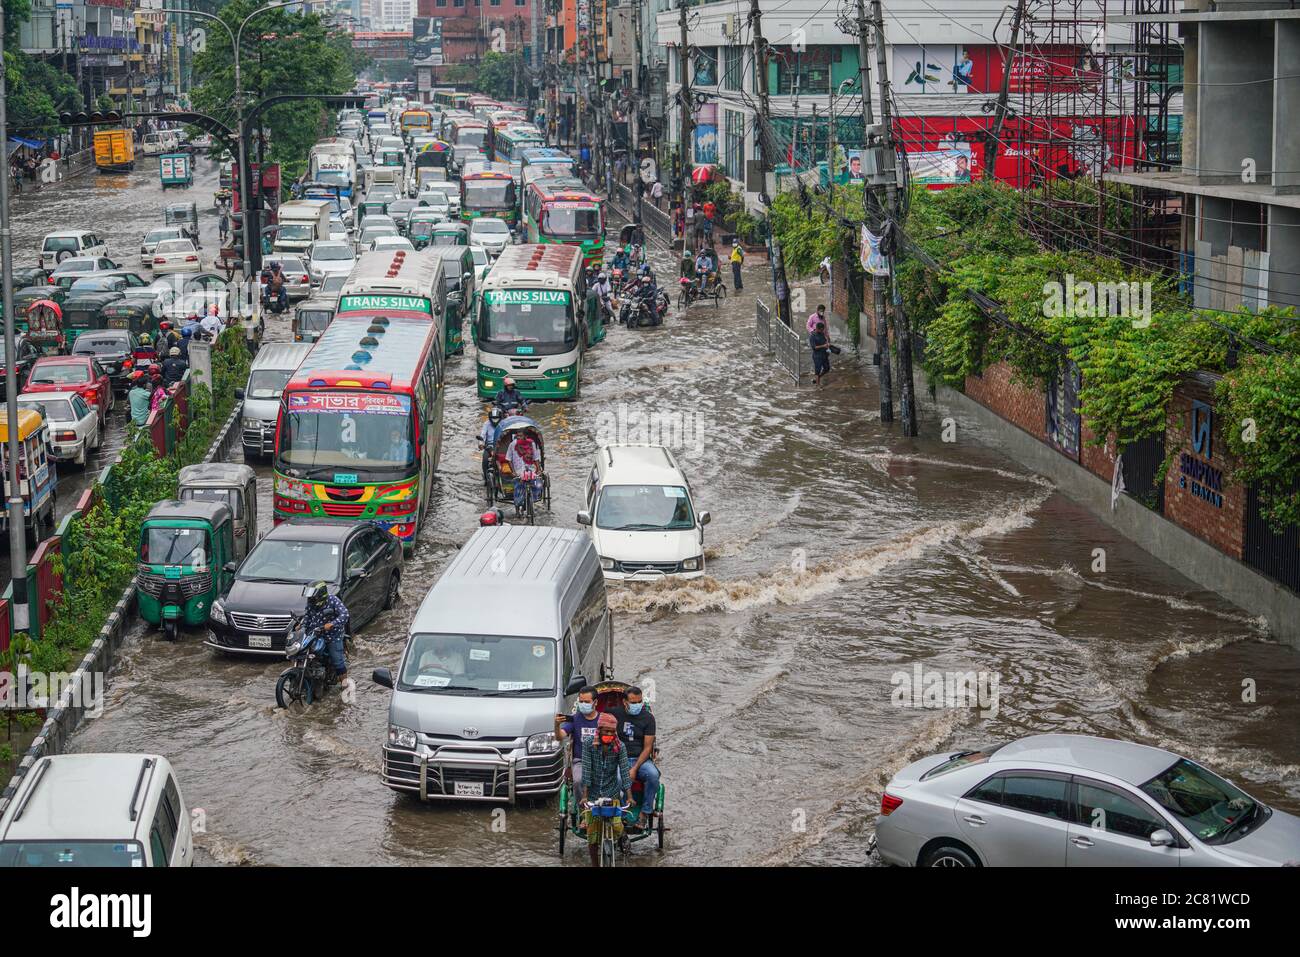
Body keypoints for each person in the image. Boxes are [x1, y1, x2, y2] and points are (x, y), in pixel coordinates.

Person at [582, 711, 632, 866]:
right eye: (606, 731)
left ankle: (622, 835)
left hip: (612, 791)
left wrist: (629, 796)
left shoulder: (620, 746)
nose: (609, 734)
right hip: (593, 793)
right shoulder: (589, 744)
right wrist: (585, 796)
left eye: (612, 732)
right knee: (592, 836)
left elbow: (624, 771)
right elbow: (586, 770)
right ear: (599, 730)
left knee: (617, 826)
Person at [609, 686, 659, 829]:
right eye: (633, 702)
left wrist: (635, 768)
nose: (637, 705)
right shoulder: (615, 714)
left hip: (641, 759)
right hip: (618, 758)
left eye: (639, 702)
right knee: (617, 779)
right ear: (625, 702)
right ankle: (621, 813)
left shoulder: (648, 718)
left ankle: (645, 812)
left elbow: (648, 747)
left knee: (653, 775)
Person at [556, 686, 602, 805]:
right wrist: (556, 725)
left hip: (601, 760)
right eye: (581, 702)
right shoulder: (575, 718)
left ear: (595, 702)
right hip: (580, 760)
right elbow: (560, 736)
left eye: (586, 702)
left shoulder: (603, 720)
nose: (583, 704)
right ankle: (583, 811)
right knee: (578, 781)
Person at [303, 580, 351, 689]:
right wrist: (301, 627)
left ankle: (345, 683)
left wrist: (332, 624)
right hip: (315, 635)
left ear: (321, 595)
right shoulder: (310, 603)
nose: (310, 599)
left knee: (337, 659)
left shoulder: (333, 600)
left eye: (313, 596)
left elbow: (345, 614)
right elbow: (307, 617)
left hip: (333, 636)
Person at [506, 431, 543, 513]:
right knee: (518, 488)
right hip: (518, 470)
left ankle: (532, 499)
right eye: (517, 436)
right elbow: (509, 459)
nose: (519, 437)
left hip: (530, 469)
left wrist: (539, 469)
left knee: (537, 484)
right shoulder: (512, 445)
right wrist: (513, 471)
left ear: (525, 436)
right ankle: (517, 507)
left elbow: (536, 458)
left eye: (521, 436)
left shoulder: (531, 444)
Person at [478, 405, 504, 486]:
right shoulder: (487, 424)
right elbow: (482, 435)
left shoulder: (504, 423)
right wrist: (481, 444)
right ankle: (486, 478)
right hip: (489, 446)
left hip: (501, 445)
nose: (495, 420)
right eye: (493, 418)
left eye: (496, 418)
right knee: (485, 459)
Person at [810, 319, 832, 387]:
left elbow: (825, 341)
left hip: (824, 354)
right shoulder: (812, 336)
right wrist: (823, 346)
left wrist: (827, 345)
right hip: (817, 356)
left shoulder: (822, 334)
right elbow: (814, 347)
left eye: (823, 330)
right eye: (821, 330)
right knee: (818, 370)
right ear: (817, 329)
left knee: (827, 368)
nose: (822, 331)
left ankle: (817, 378)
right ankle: (818, 385)